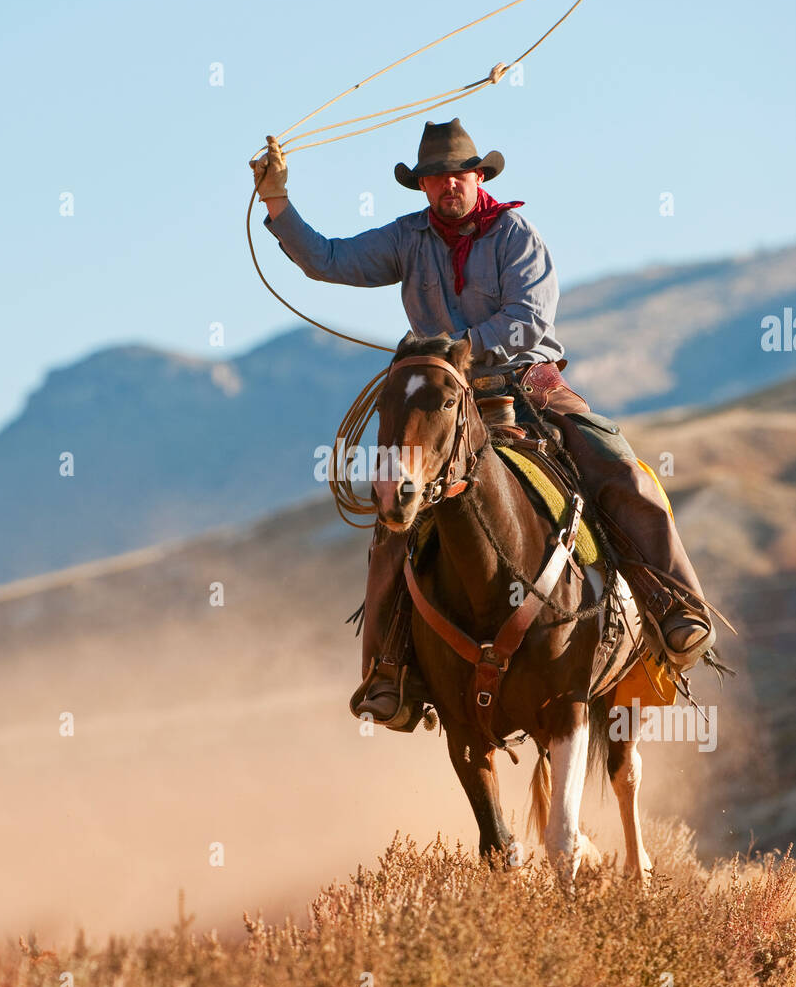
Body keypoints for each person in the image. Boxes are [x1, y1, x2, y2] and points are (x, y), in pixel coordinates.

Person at [251, 118, 715, 727]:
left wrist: (458, 351)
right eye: (436, 177)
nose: (448, 185)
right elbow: (327, 259)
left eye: (458, 175)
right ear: (422, 186)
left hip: (528, 383)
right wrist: (277, 201)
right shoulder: (406, 237)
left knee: (612, 460)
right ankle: (388, 671)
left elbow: (529, 320)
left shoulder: (516, 235)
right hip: (445, 402)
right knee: (395, 509)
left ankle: (674, 603)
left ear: (478, 177)